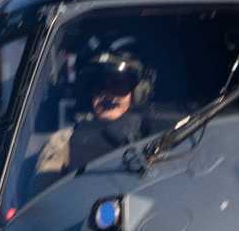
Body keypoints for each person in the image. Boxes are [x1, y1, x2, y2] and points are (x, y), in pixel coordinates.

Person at [35, 45, 155, 175]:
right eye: (97, 85)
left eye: (118, 84)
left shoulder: (161, 136)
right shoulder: (62, 142)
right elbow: (45, 189)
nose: (107, 95)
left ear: (138, 92)